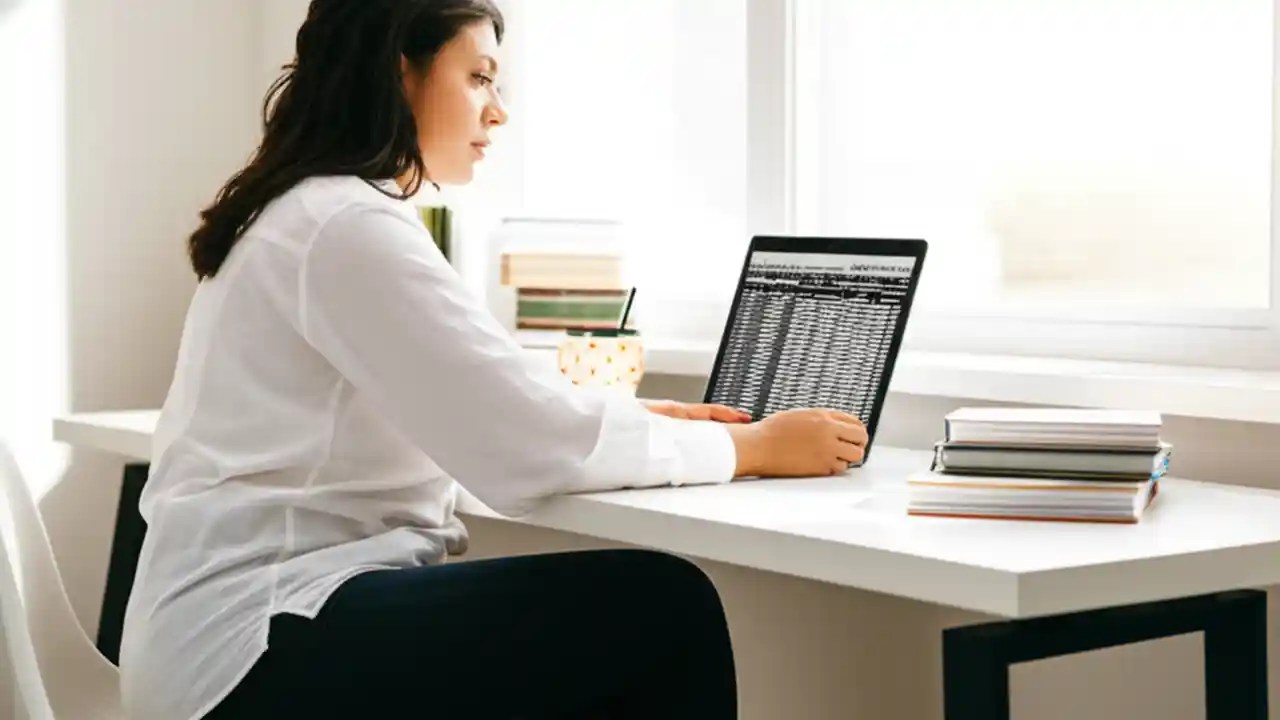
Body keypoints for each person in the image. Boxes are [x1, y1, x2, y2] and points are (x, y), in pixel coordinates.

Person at [118, 1, 869, 718]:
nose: (497, 110)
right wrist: (752, 446)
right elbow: (522, 446)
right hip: (255, 646)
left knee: (615, 625)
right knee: (663, 608)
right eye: (478, 78)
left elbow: (481, 387)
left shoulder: (316, 212)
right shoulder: (346, 226)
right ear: (398, 70)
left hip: (231, 633)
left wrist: (629, 413)